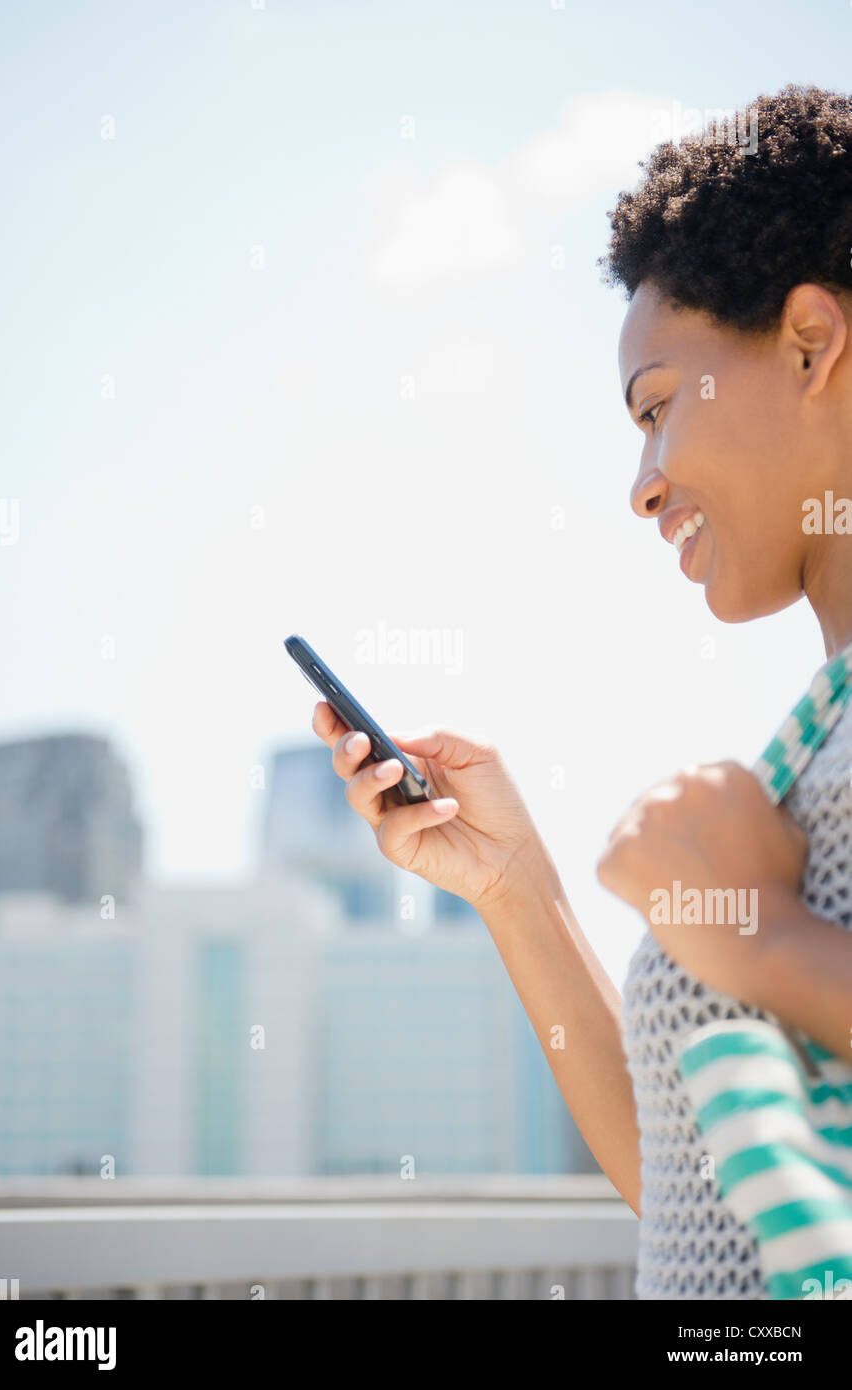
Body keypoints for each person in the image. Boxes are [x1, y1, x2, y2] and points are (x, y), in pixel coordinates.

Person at [311, 83, 852, 1299]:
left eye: (656, 410)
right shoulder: (814, 735)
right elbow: (695, 1200)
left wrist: (751, 933)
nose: (641, 483)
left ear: (810, 345)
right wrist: (510, 885)